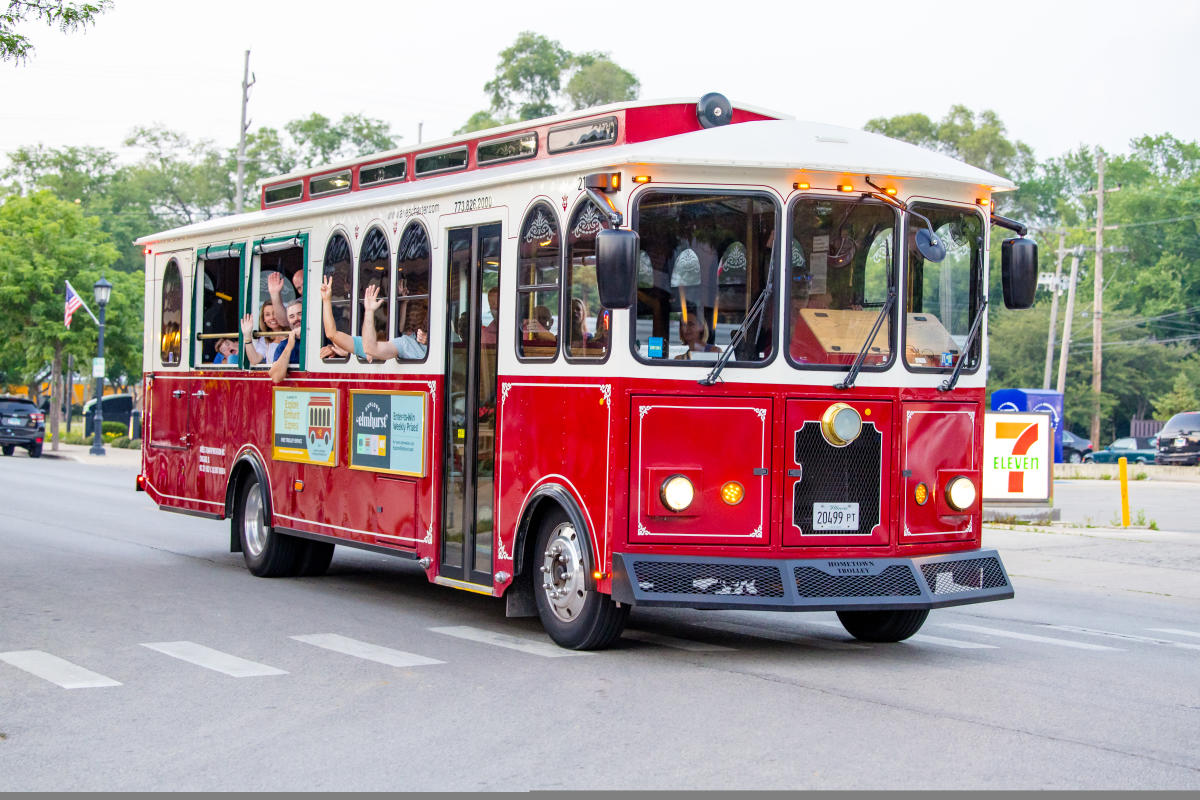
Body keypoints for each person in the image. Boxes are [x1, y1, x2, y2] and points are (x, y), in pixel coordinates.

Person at [362, 284, 428, 360]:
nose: (415, 316)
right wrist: (369, 311)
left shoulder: (437, 337)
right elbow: (371, 349)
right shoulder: (406, 343)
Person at [241, 300, 287, 366]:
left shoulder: (292, 333)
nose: (272, 317)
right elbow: (255, 360)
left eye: (275, 313)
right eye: (267, 315)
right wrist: (247, 335)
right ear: (264, 319)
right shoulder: (265, 339)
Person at [268, 299, 303, 384]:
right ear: (288, 321)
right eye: (291, 317)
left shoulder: (320, 339)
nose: (296, 319)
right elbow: (276, 377)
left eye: (300, 314)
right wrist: (289, 346)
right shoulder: (284, 345)